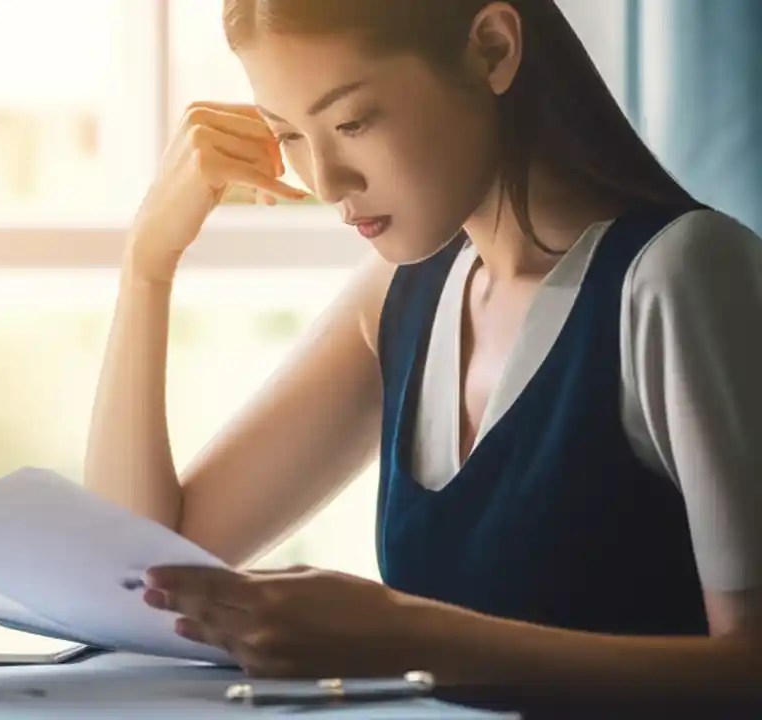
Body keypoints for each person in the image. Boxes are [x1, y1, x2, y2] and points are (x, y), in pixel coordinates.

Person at [83, 0, 762, 696]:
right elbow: (131, 578)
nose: (325, 182)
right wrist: (147, 264)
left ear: (493, 50)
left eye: (353, 122)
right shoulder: (407, 294)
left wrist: (409, 637)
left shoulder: (680, 276)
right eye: (288, 135)